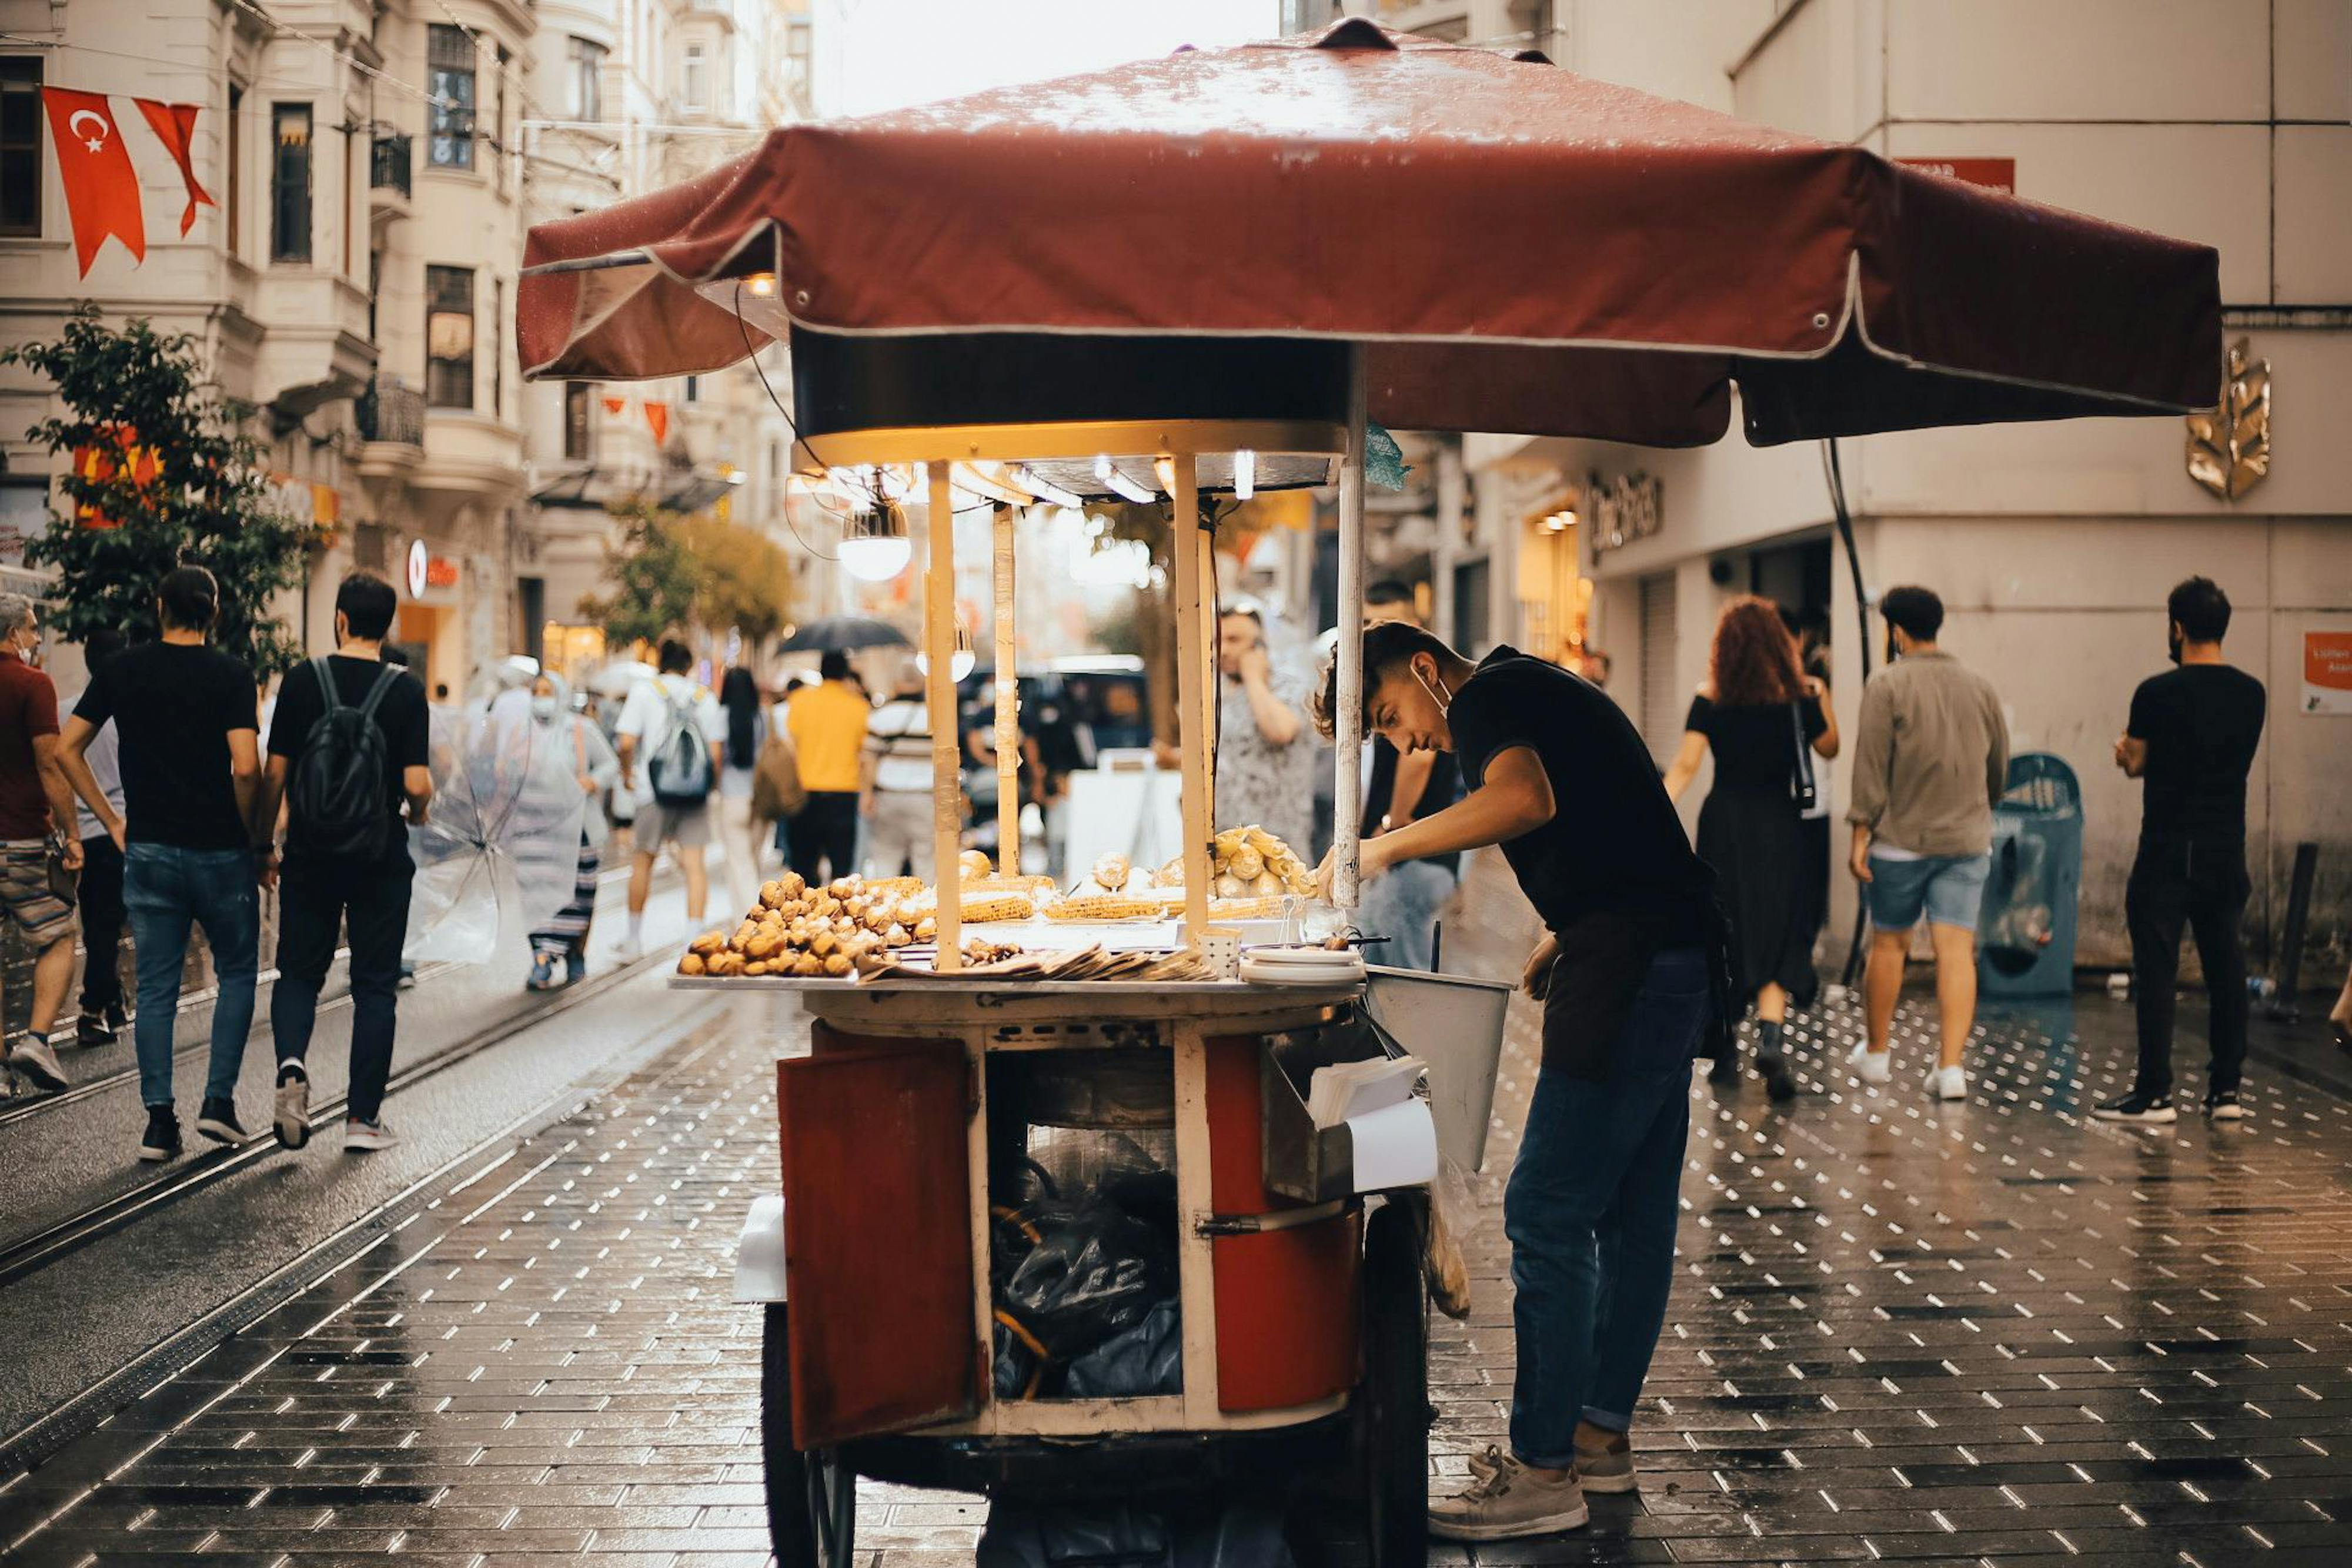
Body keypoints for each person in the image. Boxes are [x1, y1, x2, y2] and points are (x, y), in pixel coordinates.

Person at [1312, 623, 1723, 1540]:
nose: (1402, 739)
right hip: (1668, 946)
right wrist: (1569, 921)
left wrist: (1383, 848)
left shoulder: (1490, 697)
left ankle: (1543, 1468)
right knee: (1634, 1210)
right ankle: (1599, 1442)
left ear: (1423, 667)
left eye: (1389, 716)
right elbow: (1616, 813)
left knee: (1545, 1205)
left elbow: (1529, 796)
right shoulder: (1529, 682)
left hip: (1631, 965)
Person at [60, 567, 263, 1162]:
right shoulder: (231, 675)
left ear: (158, 606)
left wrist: (112, 820)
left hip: (147, 847)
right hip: (220, 848)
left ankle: (158, 1122)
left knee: (153, 989)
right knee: (238, 973)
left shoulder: (123, 669)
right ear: (214, 612)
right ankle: (218, 1103)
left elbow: (67, 747)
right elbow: (246, 766)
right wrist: (249, 831)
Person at [251, 571, 433, 1153]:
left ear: (339, 620)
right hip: (379, 856)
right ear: (387, 628)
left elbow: (275, 772)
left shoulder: (303, 680)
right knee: (375, 986)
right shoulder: (405, 691)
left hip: (311, 852)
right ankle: (362, 1120)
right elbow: (416, 782)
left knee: (299, 972)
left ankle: (292, 1065)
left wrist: (264, 846)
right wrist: (420, 809)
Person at [2094, 576, 2266, 1125]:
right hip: (2225, 849)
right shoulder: (2251, 694)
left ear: (2177, 627)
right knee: (2226, 967)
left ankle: (2155, 1093)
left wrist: (2126, 755)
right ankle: (2227, 1092)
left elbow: (2139, 762)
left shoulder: (2155, 693)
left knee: (2158, 968)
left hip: (2168, 849)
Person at [1663, 597, 1838, 1102]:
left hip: (1724, 826)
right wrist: (1818, 693)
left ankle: (1724, 1046)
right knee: (1776, 928)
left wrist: (1651, 806)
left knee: (1727, 927)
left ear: (1727, 647)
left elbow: (1686, 766)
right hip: (1780, 825)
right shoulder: (1797, 697)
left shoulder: (1710, 696)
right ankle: (1772, 1035)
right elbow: (1831, 748)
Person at [1845, 585, 2008, 1101]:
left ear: (1895, 630)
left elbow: (1871, 766)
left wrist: (1860, 830)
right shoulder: (1979, 685)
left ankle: (1877, 1054)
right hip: (1966, 837)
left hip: (1899, 841)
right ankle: (1953, 1067)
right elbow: (1998, 763)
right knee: (1956, 950)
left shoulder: (1886, 684)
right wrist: (1983, 805)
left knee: (1890, 943)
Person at [0, 595, 84, 1095]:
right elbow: (51, 764)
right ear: (13, 634)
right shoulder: (33, 685)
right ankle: (36, 1039)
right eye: (32, 630)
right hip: (23, 838)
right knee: (57, 935)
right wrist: (72, 834)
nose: (36, 640)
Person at [1355, 581, 1461, 971]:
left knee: (1404, 975)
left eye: (1385, 624)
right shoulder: (1389, 688)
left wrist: (1392, 827)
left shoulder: (1421, 691)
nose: (1373, 634)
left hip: (1410, 856)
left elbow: (1419, 760)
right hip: (1410, 854)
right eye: (1365, 622)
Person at [614, 639, 726, 956]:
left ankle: (633, 940)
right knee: (695, 865)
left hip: (653, 791)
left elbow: (625, 742)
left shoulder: (644, 692)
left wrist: (627, 775)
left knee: (643, 862)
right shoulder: (705, 698)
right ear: (689, 665)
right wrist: (709, 787)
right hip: (694, 794)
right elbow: (716, 754)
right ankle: (693, 941)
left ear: (659, 662)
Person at [524, 673, 619, 991]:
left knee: (579, 895)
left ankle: (575, 953)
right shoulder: (522, 731)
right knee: (536, 894)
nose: (541, 696)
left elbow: (610, 765)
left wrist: (591, 782)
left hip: (579, 830)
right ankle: (541, 957)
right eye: (536, 691)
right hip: (534, 831)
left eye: (547, 691)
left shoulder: (580, 729)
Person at [59, 627, 128, 1047]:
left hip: (80, 833)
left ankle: (113, 997)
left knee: (97, 923)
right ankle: (93, 1008)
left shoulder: (66, 710)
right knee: (108, 924)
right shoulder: (128, 713)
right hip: (119, 830)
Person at [1214, 607, 1314, 858]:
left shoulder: (1288, 683)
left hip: (1278, 843)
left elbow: (1281, 731)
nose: (1223, 650)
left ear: (1261, 644)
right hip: (1229, 842)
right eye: (1217, 641)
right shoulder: (1220, 691)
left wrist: (1254, 678)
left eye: (1234, 640)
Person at [784, 651, 870, 884]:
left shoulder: (800, 701)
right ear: (845, 674)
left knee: (803, 869)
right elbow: (864, 754)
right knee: (841, 873)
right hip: (843, 796)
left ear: (821, 672)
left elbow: (791, 746)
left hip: (805, 794)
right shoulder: (859, 707)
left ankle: (805, 917)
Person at [863, 660, 936, 879]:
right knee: (926, 863)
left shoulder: (881, 717)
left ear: (896, 684)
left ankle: (885, 910)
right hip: (925, 799)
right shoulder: (935, 718)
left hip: (888, 797)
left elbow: (868, 758)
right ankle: (927, 909)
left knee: (886, 860)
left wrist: (866, 794)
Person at [717, 664, 767, 910]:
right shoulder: (762, 716)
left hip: (732, 796)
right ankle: (748, 914)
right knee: (753, 861)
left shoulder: (722, 715)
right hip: (760, 798)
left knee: (739, 864)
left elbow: (716, 757)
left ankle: (750, 919)